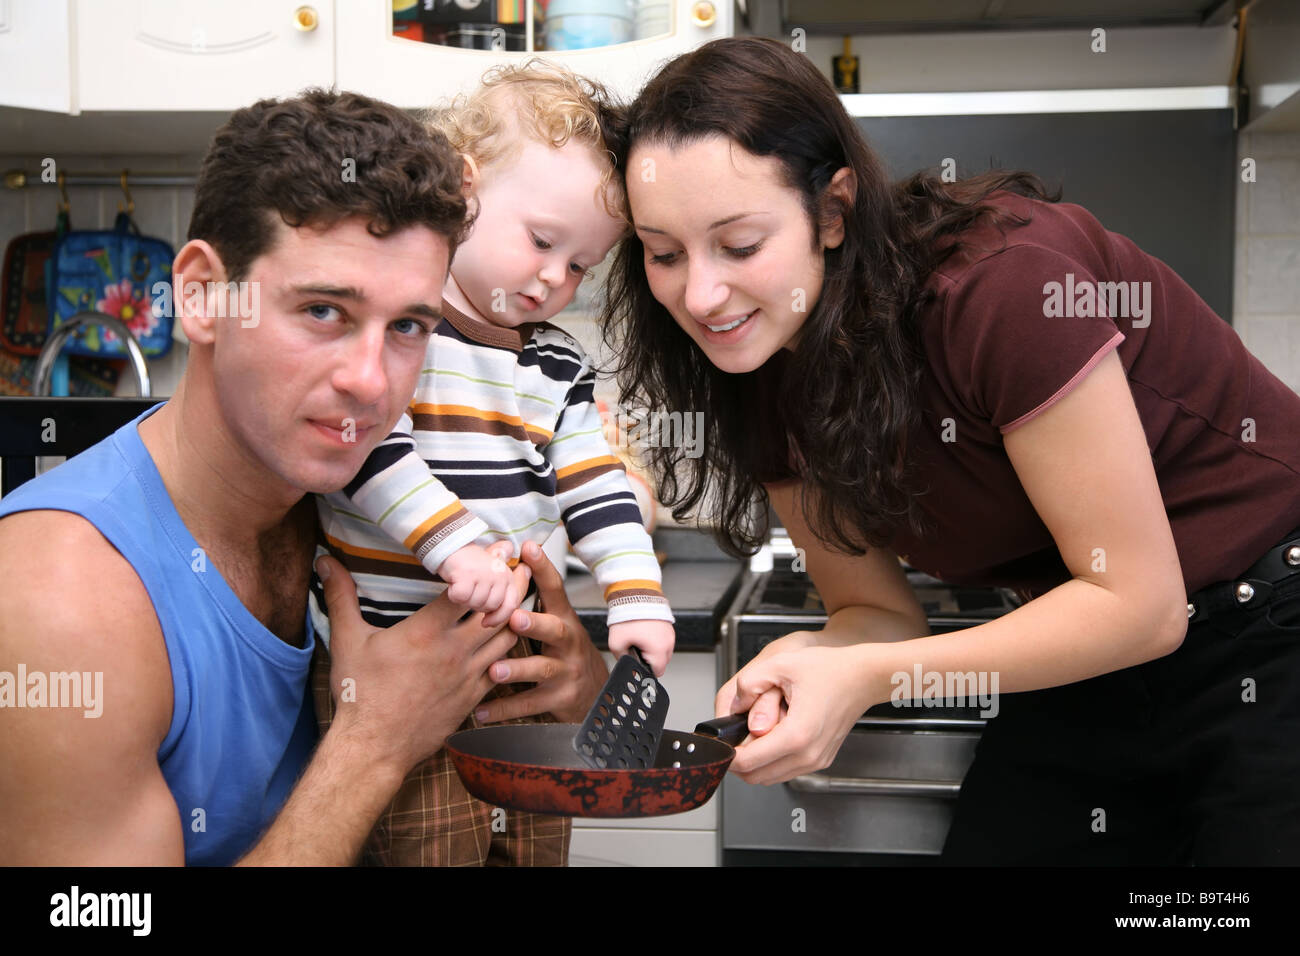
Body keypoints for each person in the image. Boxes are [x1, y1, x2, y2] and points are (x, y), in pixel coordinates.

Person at [601, 36, 1300, 865]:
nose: (701, 295)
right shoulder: (757, 371)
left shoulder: (1001, 289)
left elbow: (1137, 606)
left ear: (832, 210)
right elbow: (878, 614)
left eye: (741, 246)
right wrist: (821, 657)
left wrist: (866, 680)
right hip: (1088, 651)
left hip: (1273, 626)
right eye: (665, 253)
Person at [0, 89, 607, 866]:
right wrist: (374, 742)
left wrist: (576, 681)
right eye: (324, 311)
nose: (368, 381)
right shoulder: (65, 599)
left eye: (409, 327)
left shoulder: (339, 493)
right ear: (202, 295)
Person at [309, 62, 675, 866]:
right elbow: (368, 448)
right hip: (400, 671)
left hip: (521, 676)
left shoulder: (557, 366)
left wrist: (636, 594)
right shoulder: (405, 327)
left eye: (581, 264)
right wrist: (456, 549)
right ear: (464, 194)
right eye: (543, 242)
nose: (554, 278)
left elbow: (596, 484)